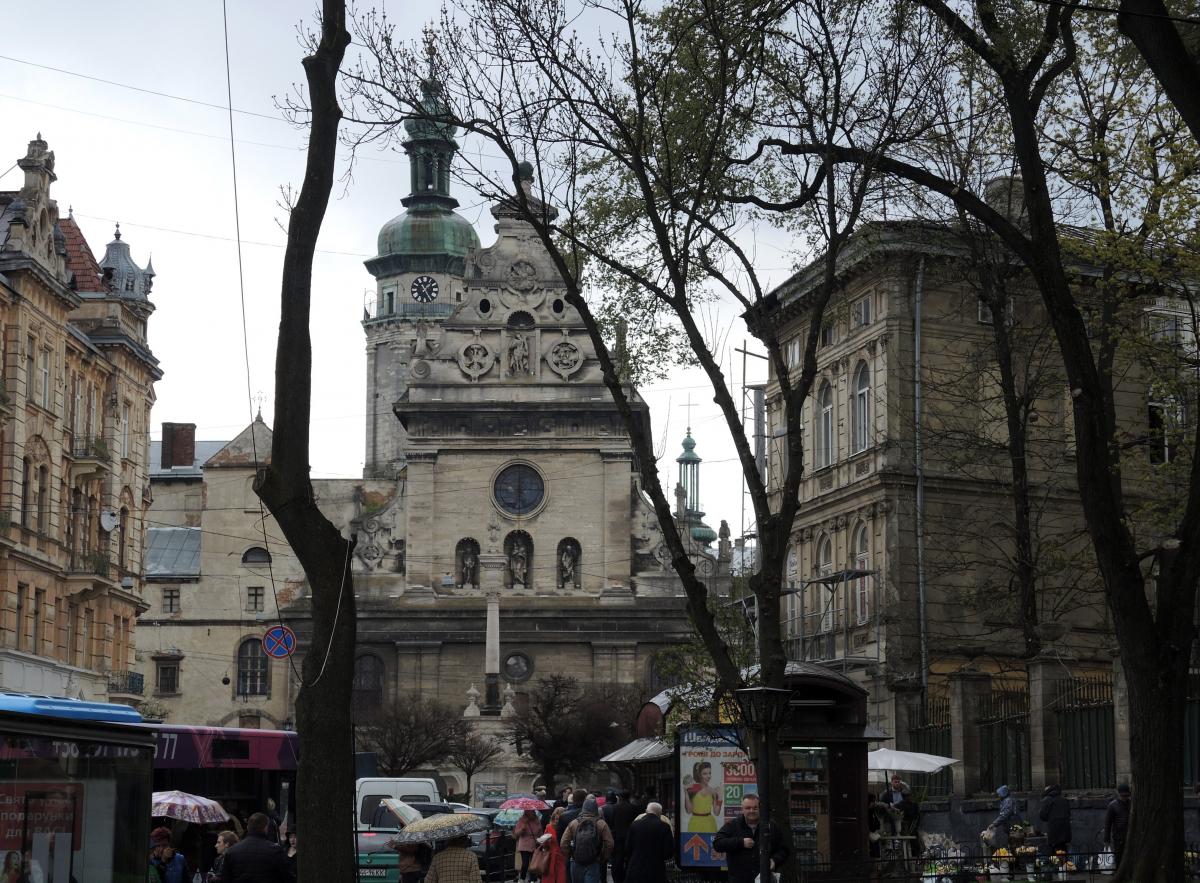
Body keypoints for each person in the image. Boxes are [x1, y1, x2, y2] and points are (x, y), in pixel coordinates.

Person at [713, 794, 790, 883]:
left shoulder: (771, 826)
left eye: (755, 808)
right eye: (748, 808)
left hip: (765, 879)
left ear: (760, 808)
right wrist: (740, 842)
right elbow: (717, 843)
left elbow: (784, 849)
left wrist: (774, 860)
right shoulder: (732, 825)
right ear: (742, 809)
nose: (751, 811)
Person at [218, 812, 291, 883]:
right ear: (266, 828)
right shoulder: (275, 851)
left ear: (247, 827)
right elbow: (287, 877)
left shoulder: (232, 851)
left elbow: (225, 879)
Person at [561, 798, 614, 883]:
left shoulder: (574, 823)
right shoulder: (601, 824)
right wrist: (602, 858)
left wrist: (571, 855)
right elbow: (610, 844)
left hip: (576, 862)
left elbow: (563, 843)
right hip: (593, 862)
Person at [620, 802, 674, 883]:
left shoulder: (635, 825)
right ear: (660, 813)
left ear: (646, 811)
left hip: (636, 868)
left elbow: (628, 848)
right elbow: (668, 852)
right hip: (656, 870)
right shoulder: (664, 827)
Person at [607, 791, 640, 883]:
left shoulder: (614, 808)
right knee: (630, 859)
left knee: (617, 861)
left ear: (620, 797)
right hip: (631, 837)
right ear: (629, 797)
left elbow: (612, 822)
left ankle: (618, 879)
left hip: (617, 837)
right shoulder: (634, 808)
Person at [1104, 783, 1132, 867]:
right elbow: (1108, 823)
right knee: (1119, 856)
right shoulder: (1112, 805)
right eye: (1123, 796)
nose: (1124, 798)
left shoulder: (1131, 804)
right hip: (1118, 836)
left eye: (1126, 796)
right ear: (1119, 794)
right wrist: (1106, 839)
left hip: (1130, 835)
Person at [1037, 784, 1071, 852]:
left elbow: (1042, 815)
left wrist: (1051, 818)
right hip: (1065, 830)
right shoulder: (1064, 800)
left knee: (1053, 852)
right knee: (1063, 850)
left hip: (1054, 830)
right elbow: (1069, 813)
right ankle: (1064, 862)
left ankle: (1056, 861)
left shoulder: (1047, 800)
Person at [983, 785, 1018, 850]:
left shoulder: (1008, 801)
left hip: (1012, 825)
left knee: (1014, 844)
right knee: (1012, 843)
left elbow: (1004, 815)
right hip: (1010, 826)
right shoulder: (1006, 800)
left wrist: (994, 824)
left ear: (1003, 793)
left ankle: (1015, 857)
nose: (998, 796)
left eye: (999, 794)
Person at [539, 806, 569, 883]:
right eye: (555, 819)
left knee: (561, 878)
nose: (556, 821)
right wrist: (545, 841)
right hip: (551, 858)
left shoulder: (567, 828)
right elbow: (544, 845)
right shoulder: (549, 827)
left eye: (558, 819)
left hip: (562, 857)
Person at [515, 809, 544, 882]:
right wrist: (522, 829)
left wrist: (541, 840)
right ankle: (522, 878)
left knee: (533, 864)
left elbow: (540, 832)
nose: (532, 812)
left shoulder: (537, 820)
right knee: (525, 864)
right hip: (524, 844)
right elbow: (516, 833)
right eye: (530, 811)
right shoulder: (522, 820)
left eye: (532, 811)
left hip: (534, 844)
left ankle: (532, 879)